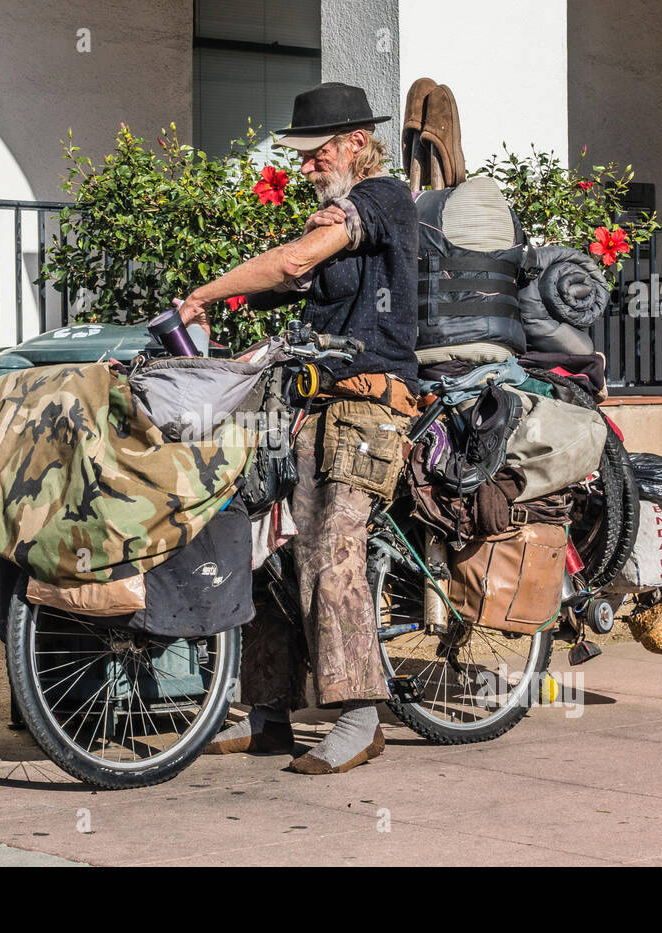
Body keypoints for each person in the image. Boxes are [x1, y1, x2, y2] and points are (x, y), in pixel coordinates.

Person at [174, 82, 419, 774]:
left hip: (370, 408)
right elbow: (282, 280)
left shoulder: (382, 199)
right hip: (309, 405)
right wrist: (227, 303)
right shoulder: (335, 220)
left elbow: (292, 261)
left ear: (355, 146)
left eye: (314, 155)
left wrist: (204, 293)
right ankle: (270, 715)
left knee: (331, 549)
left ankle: (361, 716)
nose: (304, 168)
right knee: (271, 554)